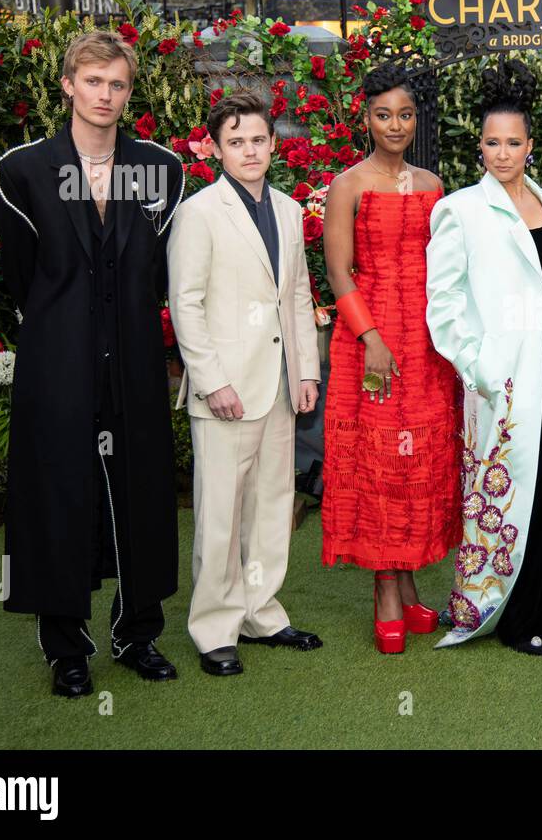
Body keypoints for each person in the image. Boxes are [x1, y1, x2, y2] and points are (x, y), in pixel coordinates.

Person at [0, 30, 185, 697]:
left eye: (119, 84)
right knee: (59, 497)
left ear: (130, 92)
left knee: (143, 493)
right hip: (58, 364)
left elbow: (158, 271)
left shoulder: (161, 169)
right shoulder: (21, 170)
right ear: (69, 84)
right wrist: (64, 330)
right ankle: (65, 648)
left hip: (133, 360)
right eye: (94, 81)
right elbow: (21, 276)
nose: (106, 95)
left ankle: (137, 633)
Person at [426, 59, 542, 656]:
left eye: (513, 143)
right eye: (492, 143)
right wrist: (477, 367)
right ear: (479, 147)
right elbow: (442, 304)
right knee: (506, 490)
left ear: (530, 146)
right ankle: (511, 611)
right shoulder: (459, 210)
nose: (502, 153)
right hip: (499, 378)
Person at [167, 89, 324, 676]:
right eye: (236, 141)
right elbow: (185, 303)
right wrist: (211, 382)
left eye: (258, 139)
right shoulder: (200, 212)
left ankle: (261, 612)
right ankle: (213, 630)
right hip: (227, 391)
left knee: (271, 505)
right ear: (215, 148)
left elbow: (300, 293)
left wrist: (307, 370)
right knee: (219, 514)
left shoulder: (287, 209)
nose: (249, 150)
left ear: (273, 144)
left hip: (281, 386)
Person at [321, 62, 461, 654]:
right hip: (370, 344)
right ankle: (384, 591)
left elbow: (449, 271)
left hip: (425, 347)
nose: (395, 125)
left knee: (418, 463)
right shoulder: (348, 185)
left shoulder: (433, 186)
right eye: (384, 115)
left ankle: (407, 581)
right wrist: (370, 337)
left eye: (405, 114)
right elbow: (337, 271)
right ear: (367, 118)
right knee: (379, 468)